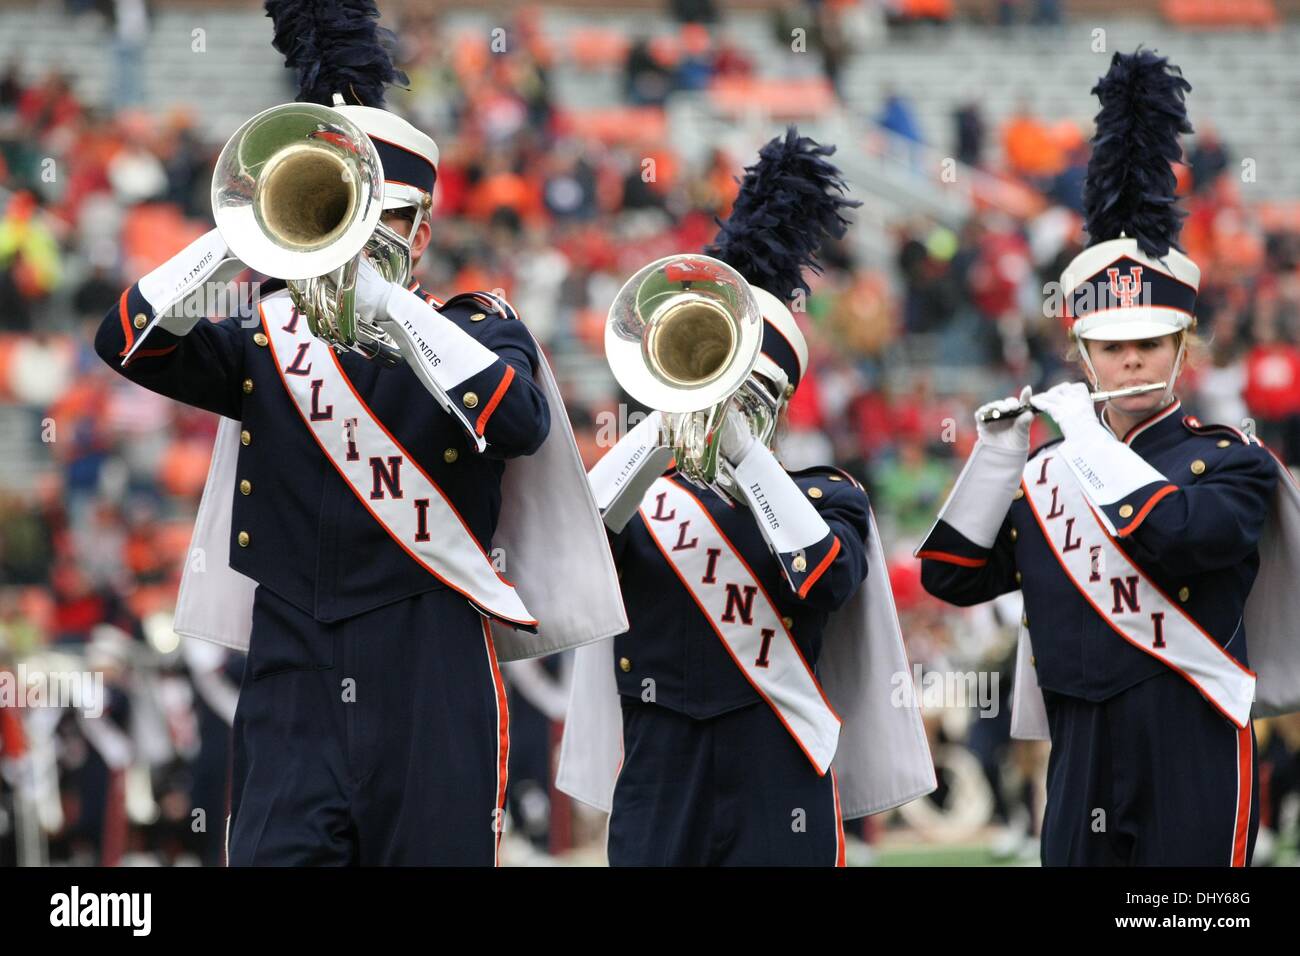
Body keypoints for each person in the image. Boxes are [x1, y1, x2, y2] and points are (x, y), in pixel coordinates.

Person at [93, 0, 623, 865]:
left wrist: (381, 304)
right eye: (343, 214)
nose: (359, 239)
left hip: (430, 667)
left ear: (421, 230)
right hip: (291, 668)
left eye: (383, 219)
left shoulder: (480, 327)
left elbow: (519, 420)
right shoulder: (268, 338)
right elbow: (126, 339)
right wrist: (237, 232)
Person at [918, 50, 1298, 865]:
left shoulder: (1232, 462)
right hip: (1080, 743)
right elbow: (950, 575)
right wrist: (994, 457)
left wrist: (1082, 441)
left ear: (1183, 347)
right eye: (1110, 345)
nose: (1130, 361)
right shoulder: (1048, 473)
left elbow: (1182, 537)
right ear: (1082, 353)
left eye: (1148, 343)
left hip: (1190, 733)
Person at [557, 129, 934, 866]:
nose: (718, 404)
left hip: (778, 770)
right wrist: (662, 428)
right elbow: (573, 543)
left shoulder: (829, 496)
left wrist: (738, 449)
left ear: (776, 402)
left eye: (739, 393)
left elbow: (821, 577)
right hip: (659, 768)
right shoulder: (639, 492)